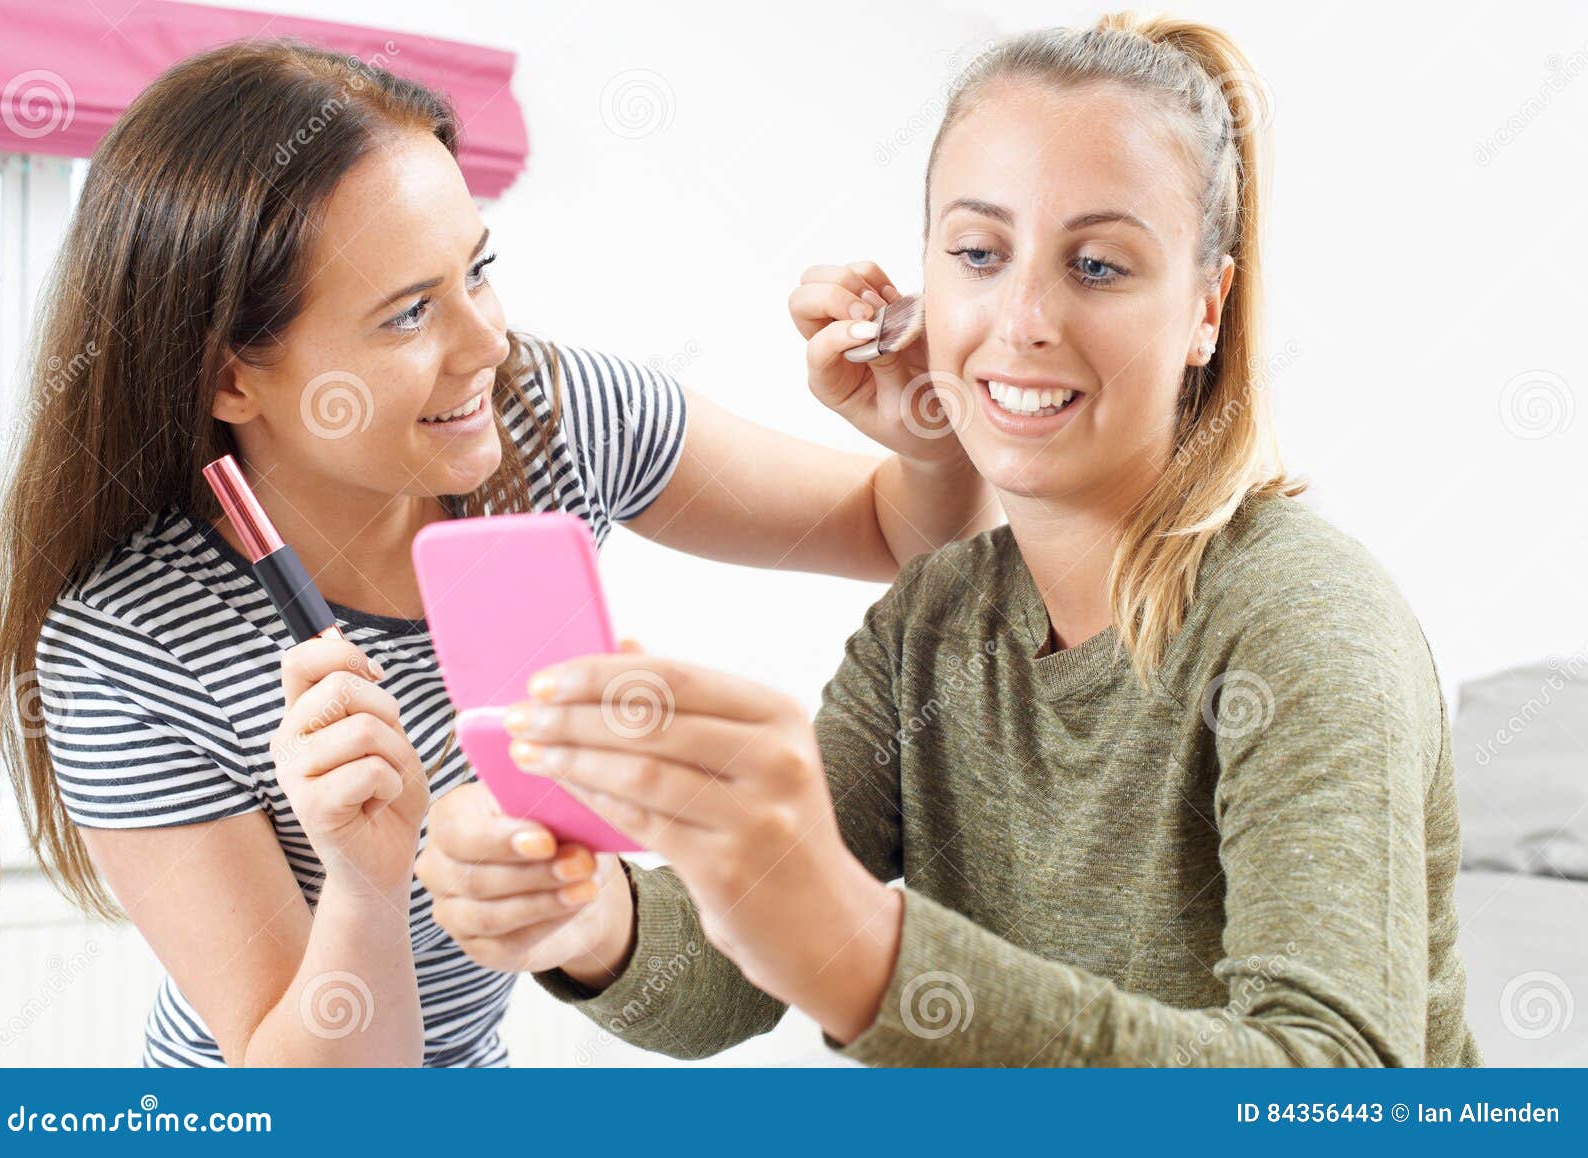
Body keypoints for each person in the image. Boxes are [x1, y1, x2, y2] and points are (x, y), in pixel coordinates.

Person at [418, 14, 1484, 1066]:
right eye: (978, 253)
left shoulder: (1304, 623)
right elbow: (727, 973)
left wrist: (861, 952)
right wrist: (583, 912)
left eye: (1099, 267)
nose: (1022, 317)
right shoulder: (930, 625)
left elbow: (1339, 1090)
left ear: (1207, 307)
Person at [0, 40, 998, 1067]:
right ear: (234, 379)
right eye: (411, 313)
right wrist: (367, 883)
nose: (489, 346)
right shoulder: (124, 643)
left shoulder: (547, 414)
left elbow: (896, 535)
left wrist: (928, 428)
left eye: (477, 270)